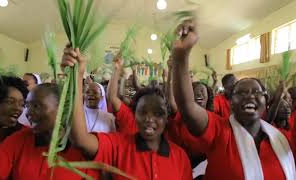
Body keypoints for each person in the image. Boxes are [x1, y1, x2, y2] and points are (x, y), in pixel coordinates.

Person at [172, 19, 296, 179]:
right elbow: (187, 106)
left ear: (266, 100)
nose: (249, 96)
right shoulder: (220, 131)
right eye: (241, 93)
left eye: (255, 92)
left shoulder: (282, 139)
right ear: (231, 102)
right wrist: (181, 57)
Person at [62, 47, 192, 180]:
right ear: (134, 114)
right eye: (143, 112)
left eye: (158, 113)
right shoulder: (118, 146)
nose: (149, 119)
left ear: (166, 118)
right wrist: (77, 76)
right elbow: (80, 140)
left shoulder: (180, 157)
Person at [0, 83, 94, 179]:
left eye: (36, 106)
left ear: (62, 108)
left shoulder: (83, 147)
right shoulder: (20, 139)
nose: (27, 113)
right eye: (27, 106)